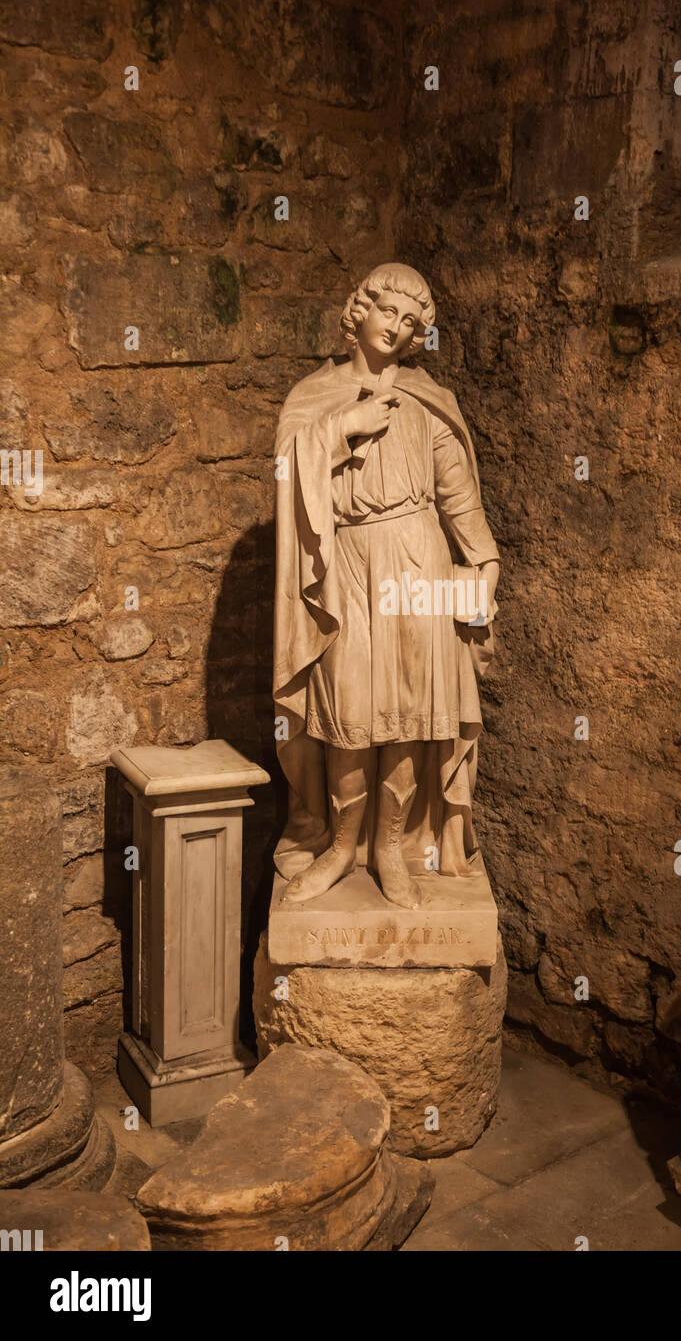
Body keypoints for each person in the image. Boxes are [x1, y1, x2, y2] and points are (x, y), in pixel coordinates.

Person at [272, 263, 500, 910]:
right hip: (345, 559)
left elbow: (459, 500)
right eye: (387, 312)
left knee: (404, 710)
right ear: (359, 311)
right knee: (347, 709)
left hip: (417, 562)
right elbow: (287, 474)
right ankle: (342, 848)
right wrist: (341, 431)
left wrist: (484, 564)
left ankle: (391, 848)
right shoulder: (313, 397)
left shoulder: (429, 403)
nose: (396, 329)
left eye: (409, 322)